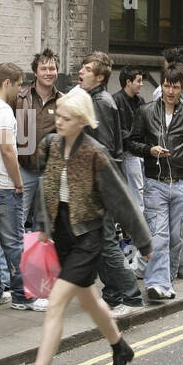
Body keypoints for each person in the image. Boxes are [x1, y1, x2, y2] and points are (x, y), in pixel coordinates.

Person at [6, 89, 152, 365]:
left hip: (89, 237)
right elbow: (48, 186)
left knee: (56, 302)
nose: (58, 121)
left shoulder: (95, 153)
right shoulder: (50, 146)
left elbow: (121, 199)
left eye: (65, 117)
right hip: (63, 237)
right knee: (91, 302)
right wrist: (43, 225)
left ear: (82, 121)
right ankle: (120, 347)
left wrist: (143, 242)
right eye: (57, 115)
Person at [126, 63, 183, 301]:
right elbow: (133, 142)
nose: (171, 91)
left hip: (182, 184)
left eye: (176, 87)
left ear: (182, 88)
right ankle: (156, 283)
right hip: (156, 182)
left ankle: (167, 282)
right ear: (162, 86)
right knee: (158, 236)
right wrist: (150, 150)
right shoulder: (147, 111)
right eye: (167, 85)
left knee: (175, 237)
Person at [76, 51, 142, 315]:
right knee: (99, 241)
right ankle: (113, 295)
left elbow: (102, 150)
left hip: (99, 185)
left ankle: (130, 295)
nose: (81, 71)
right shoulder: (93, 99)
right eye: (82, 67)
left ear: (100, 77)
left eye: (87, 69)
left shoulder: (100, 103)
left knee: (106, 243)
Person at [0, 62, 33, 310]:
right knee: (14, 242)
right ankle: (23, 296)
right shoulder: (3, 111)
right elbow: (7, 148)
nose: (20, 90)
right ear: (7, 83)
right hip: (4, 185)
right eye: (18, 84)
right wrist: (18, 181)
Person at [15, 49, 62, 236]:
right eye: (44, 68)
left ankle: (36, 265)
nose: (48, 72)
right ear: (36, 72)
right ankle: (14, 266)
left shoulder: (63, 101)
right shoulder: (20, 98)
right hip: (23, 170)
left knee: (43, 228)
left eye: (52, 68)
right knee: (16, 223)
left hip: (49, 173)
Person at [115, 66, 146, 208]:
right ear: (128, 82)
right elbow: (117, 129)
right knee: (137, 190)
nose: (142, 84)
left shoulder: (140, 101)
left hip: (139, 151)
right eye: (139, 81)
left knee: (140, 189)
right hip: (127, 152)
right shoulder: (116, 100)